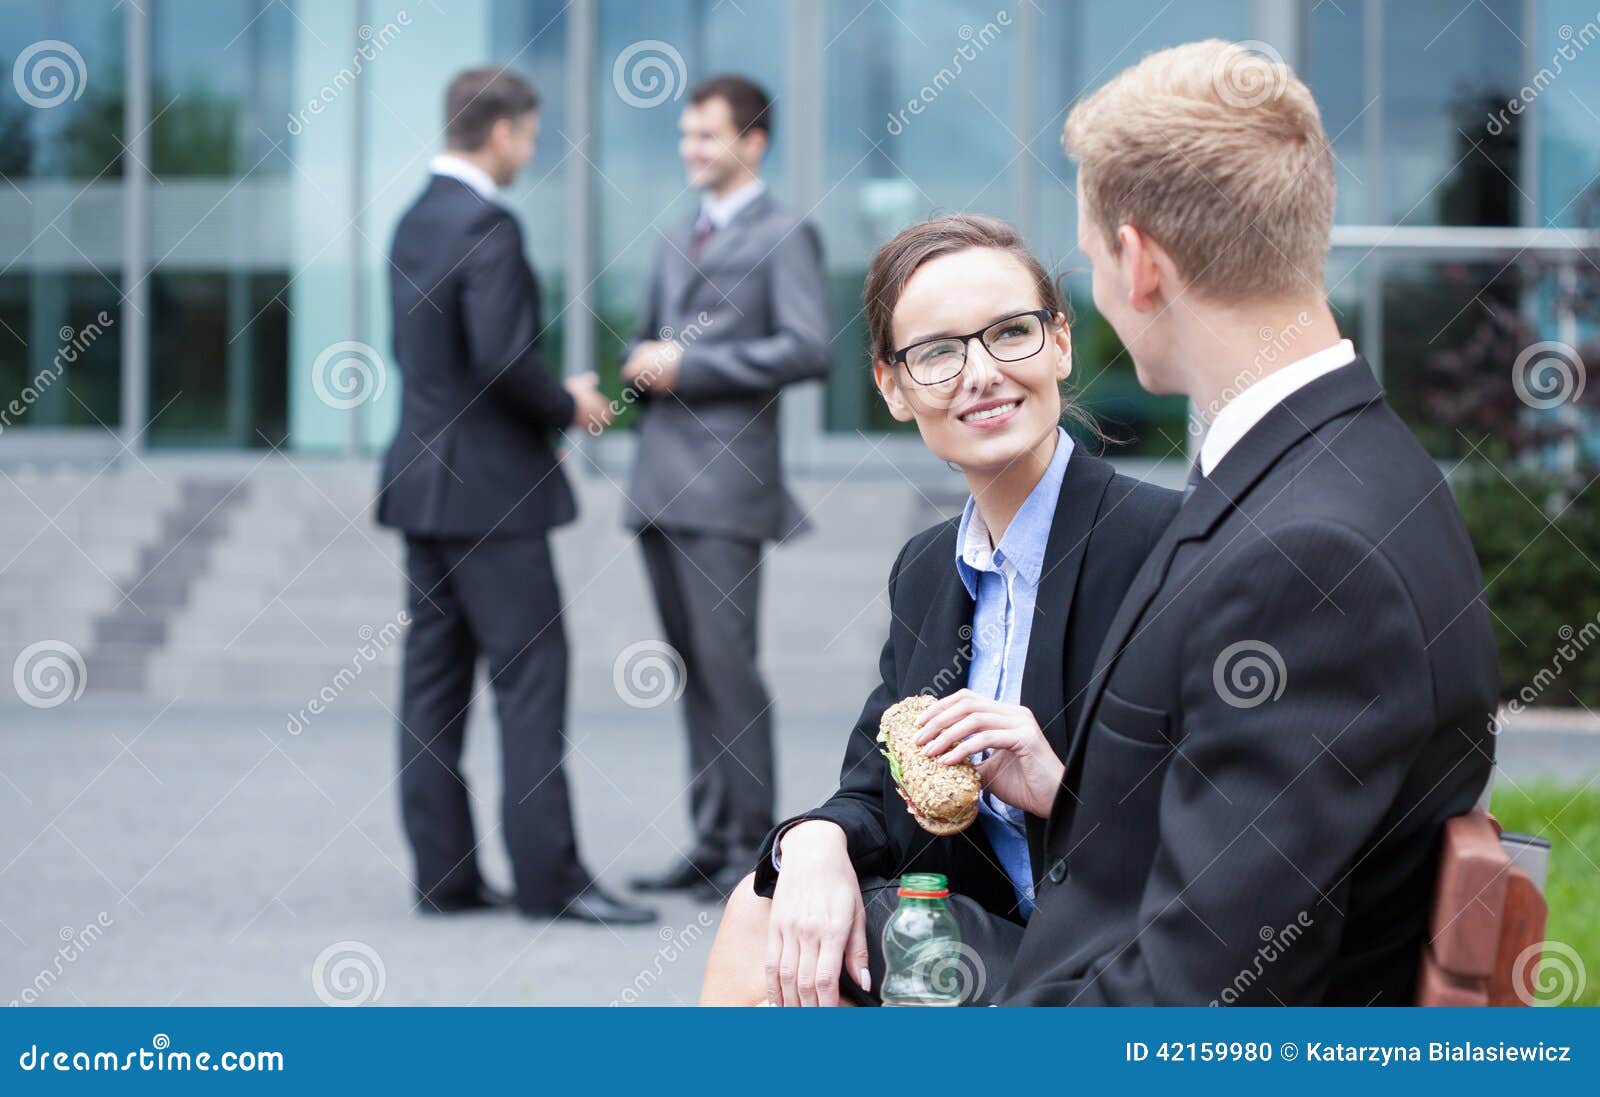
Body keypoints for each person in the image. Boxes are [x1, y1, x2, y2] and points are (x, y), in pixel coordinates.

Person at [994, 40, 1496, 1003]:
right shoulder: (1350, 468)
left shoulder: (1311, 560)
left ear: (1140, 264)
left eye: (1092, 255)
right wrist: (1081, 793)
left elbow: (1193, 1003)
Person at [699, 214, 1181, 1005]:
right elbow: (873, 785)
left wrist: (1058, 787)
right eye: (938, 352)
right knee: (768, 901)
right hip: (989, 943)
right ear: (892, 387)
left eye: (1011, 333)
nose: (982, 373)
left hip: (1128, 955)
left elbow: (1226, 828)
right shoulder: (927, 569)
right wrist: (812, 840)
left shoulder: (1169, 547)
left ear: (1060, 342)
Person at [378, 67, 653, 927]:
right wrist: (567, 400)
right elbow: (500, 358)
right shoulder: (487, 226)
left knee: (432, 685)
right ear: (499, 131)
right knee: (531, 681)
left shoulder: (414, 220)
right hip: (490, 495)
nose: (529, 152)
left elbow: (429, 357)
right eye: (528, 136)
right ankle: (550, 879)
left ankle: (445, 874)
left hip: (421, 485)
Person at [622, 75, 831, 901]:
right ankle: (711, 837)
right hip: (657, 487)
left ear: (754, 142)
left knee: (728, 669)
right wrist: (640, 364)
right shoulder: (676, 237)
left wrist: (692, 365)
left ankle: (752, 843)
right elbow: (646, 340)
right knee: (693, 672)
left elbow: (811, 348)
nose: (691, 150)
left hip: (725, 490)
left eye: (706, 136)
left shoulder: (787, 236)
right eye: (685, 136)